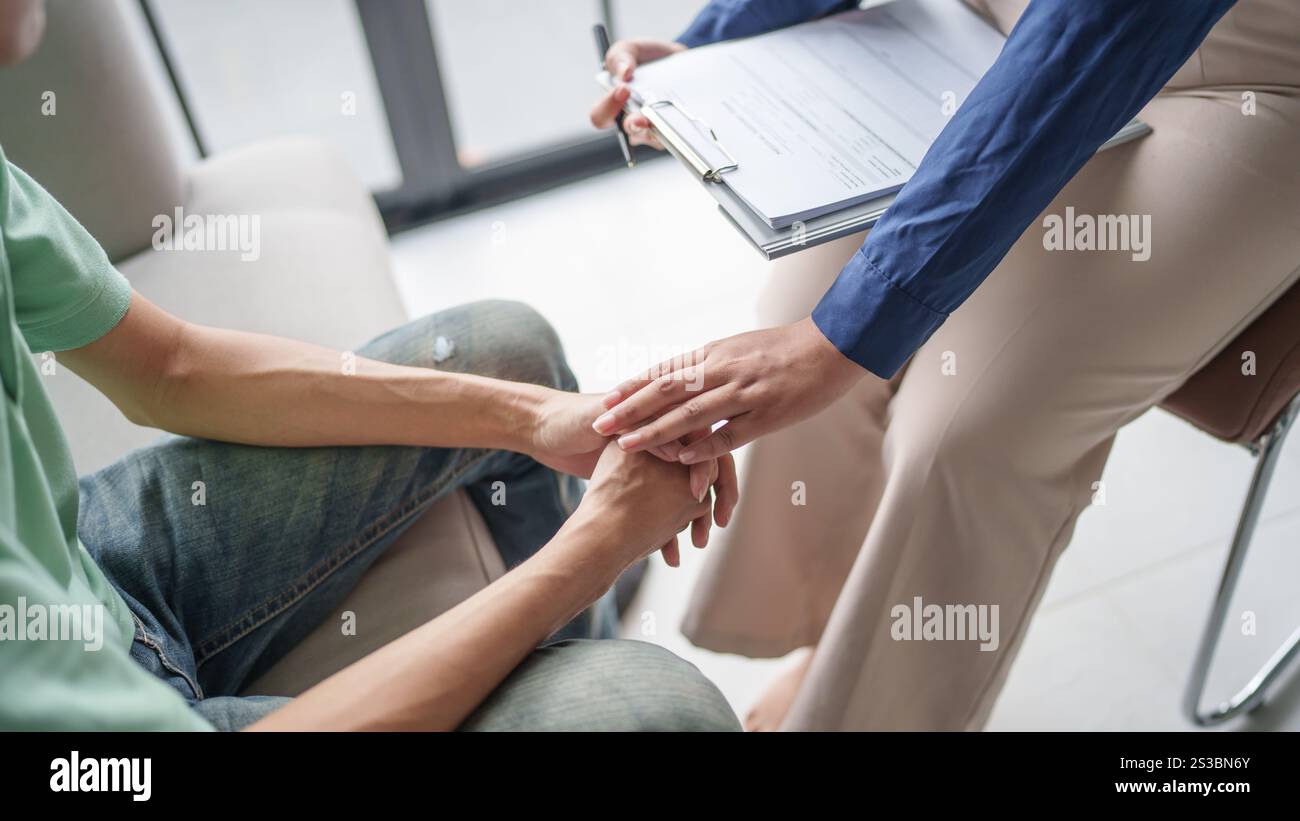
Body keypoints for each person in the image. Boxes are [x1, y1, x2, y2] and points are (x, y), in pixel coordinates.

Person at [0, 0, 741, 732]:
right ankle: (578, 620)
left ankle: (585, 627)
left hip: (88, 559)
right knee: (668, 712)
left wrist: (537, 418)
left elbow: (168, 366)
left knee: (516, 350)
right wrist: (599, 541)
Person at [591, 0, 1300, 730]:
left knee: (968, 428)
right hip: (1000, 24)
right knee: (795, 305)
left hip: (1249, 70)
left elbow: (1099, 35)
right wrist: (719, 42)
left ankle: (872, 703)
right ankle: (843, 641)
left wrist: (840, 341)